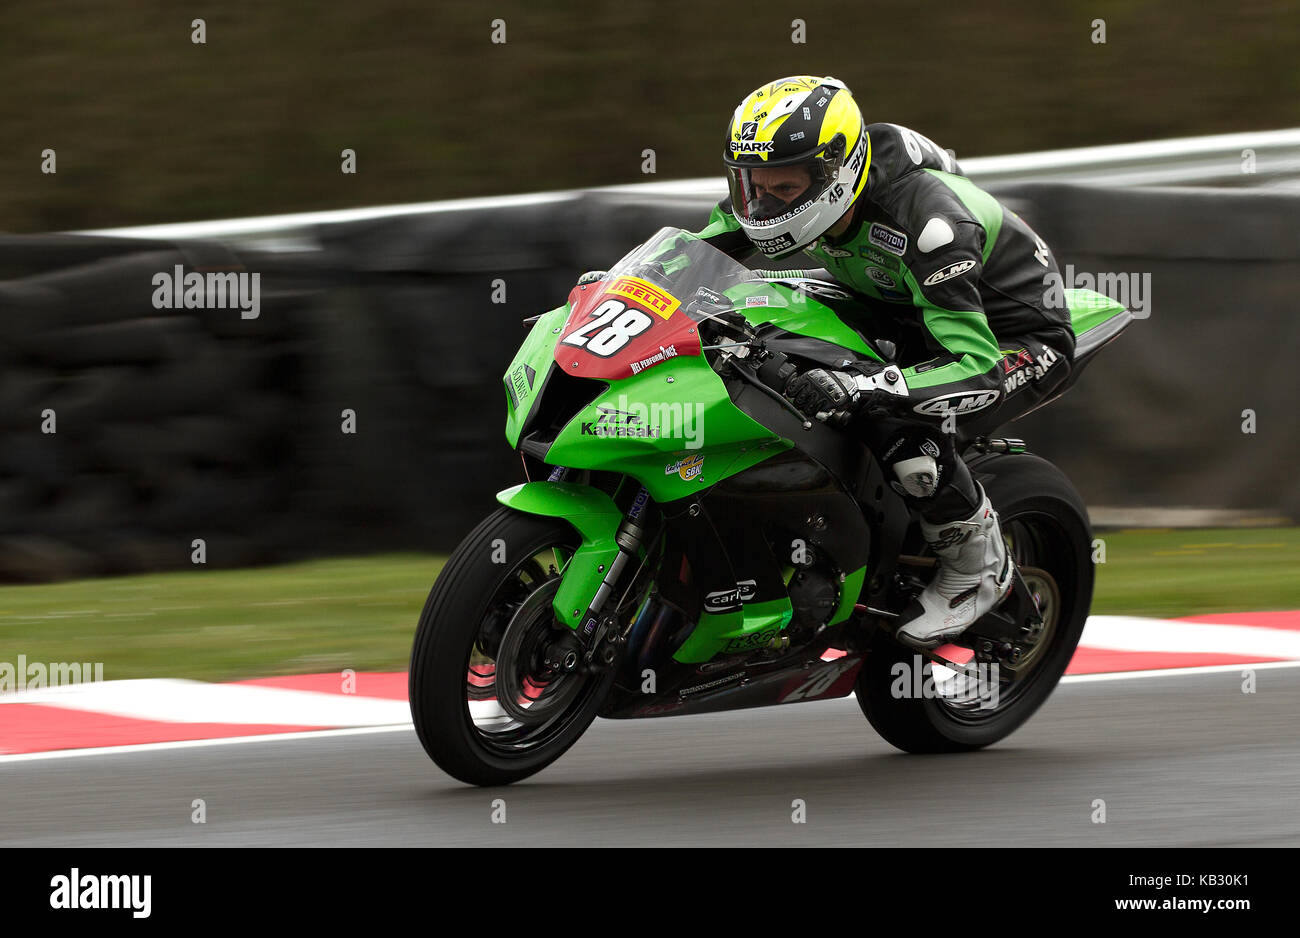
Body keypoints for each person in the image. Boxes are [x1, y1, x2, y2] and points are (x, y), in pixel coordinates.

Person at [688, 75, 1077, 647]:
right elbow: (693, 259)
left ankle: (977, 569)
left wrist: (868, 387)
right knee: (755, 320)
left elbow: (976, 365)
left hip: (1008, 336)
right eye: (753, 185)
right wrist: (622, 287)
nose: (763, 203)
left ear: (836, 173)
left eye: (784, 188)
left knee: (895, 417)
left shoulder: (930, 228)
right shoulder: (777, 189)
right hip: (892, 301)